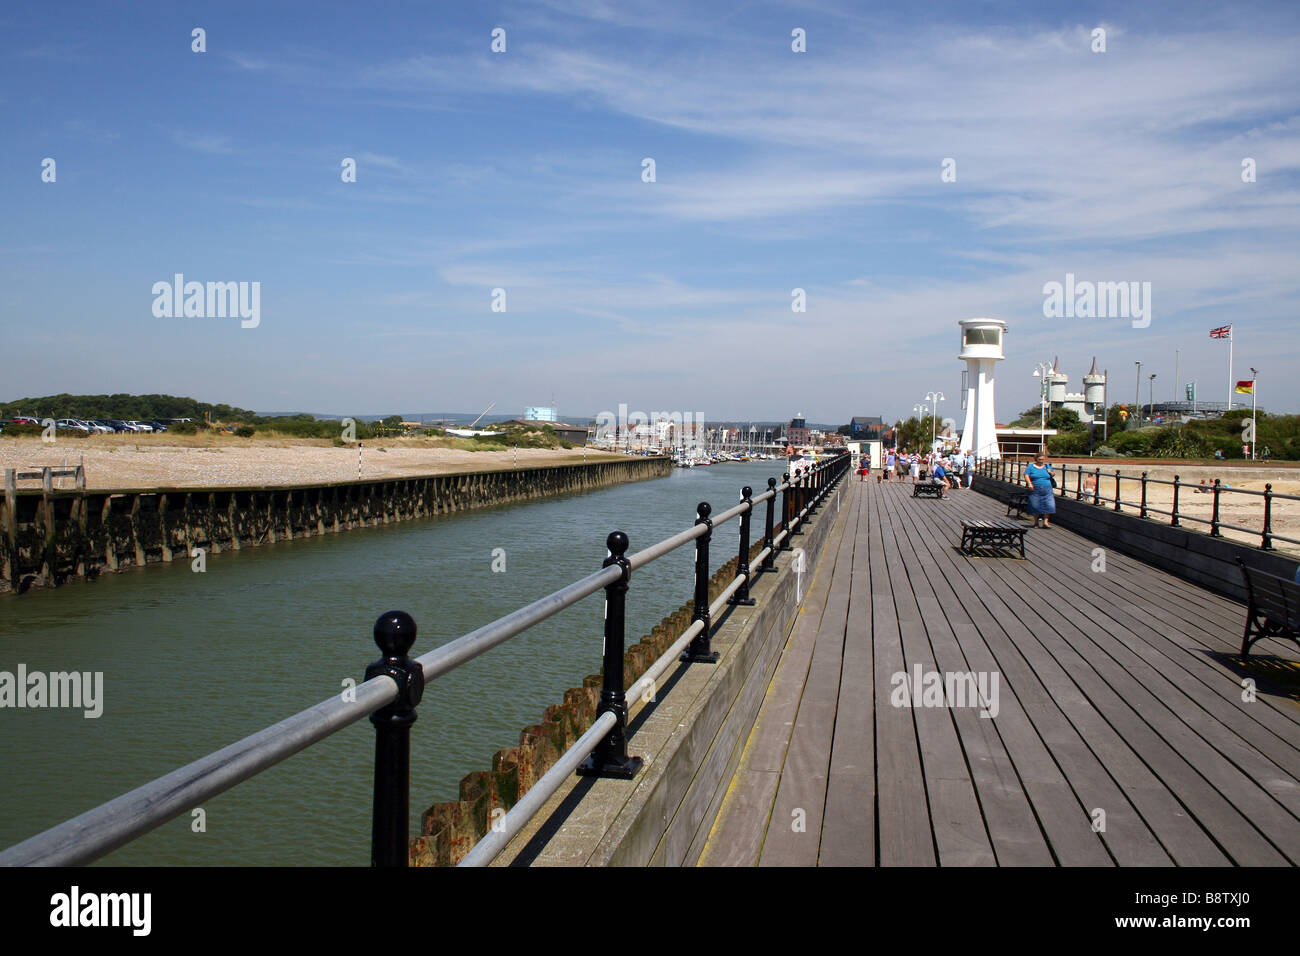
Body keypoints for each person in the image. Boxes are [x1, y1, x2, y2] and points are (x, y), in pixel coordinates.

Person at [1024, 451, 1055, 528]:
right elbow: (1026, 475)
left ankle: (1045, 522)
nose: (1041, 461)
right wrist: (1029, 483)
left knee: (1048, 504)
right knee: (1035, 504)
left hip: (1047, 487)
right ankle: (1036, 523)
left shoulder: (1047, 466)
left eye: (1043, 459)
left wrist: (1050, 472)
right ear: (1036, 459)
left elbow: (1053, 474)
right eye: (1040, 459)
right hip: (1035, 487)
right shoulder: (1031, 467)